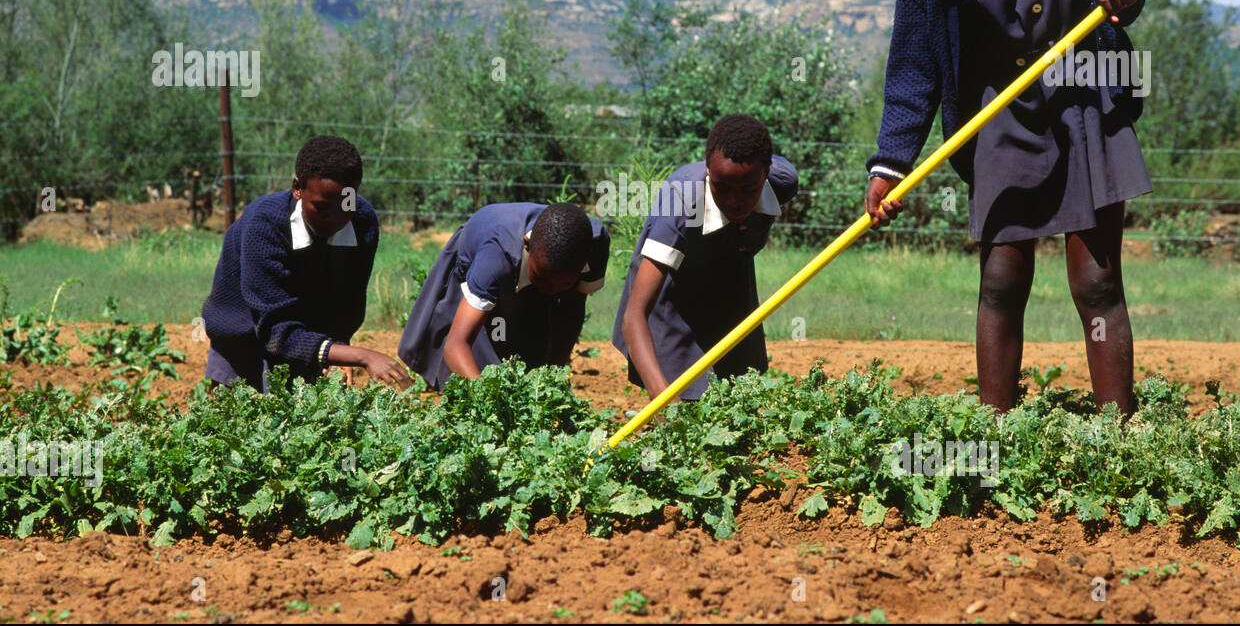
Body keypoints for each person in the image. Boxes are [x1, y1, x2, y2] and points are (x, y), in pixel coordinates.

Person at [865, 0, 1149, 414]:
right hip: (1001, 118)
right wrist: (889, 163)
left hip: (1084, 103)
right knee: (1001, 280)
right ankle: (997, 432)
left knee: (1097, 281)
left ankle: (1121, 434)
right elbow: (913, 60)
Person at [201, 135, 410, 392]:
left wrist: (339, 345)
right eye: (321, 207)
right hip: (247, 334)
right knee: (245, 421)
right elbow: (274, 331)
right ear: (297, 188)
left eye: (347, 204)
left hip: (308, 336)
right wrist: (360, 355)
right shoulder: (264, 225)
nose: (336, 218)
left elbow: (349, 301)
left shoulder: (362, 221)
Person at [613, 114, 798, 401]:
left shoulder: (782, 181)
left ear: (765, 174)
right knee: (685, 397)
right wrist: (664, 402)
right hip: (670, 292)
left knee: (737, 392)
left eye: (749, 189)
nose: (735, 201)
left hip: (728, 281)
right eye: (721, 188)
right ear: (708, 170)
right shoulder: (680, 202)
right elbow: (635, 315)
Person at [398, 201, 609, 389]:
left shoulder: (594, 246)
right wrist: (488, 401)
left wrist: (553, 377)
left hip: (522, 266)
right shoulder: (496, 257)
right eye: (541, 278)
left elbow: (571, 313)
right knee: (476, 369)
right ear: (527, 245)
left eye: (565, 283)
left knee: (529, 364)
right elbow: (456, 344)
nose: (551, 290)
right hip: (479, 256)